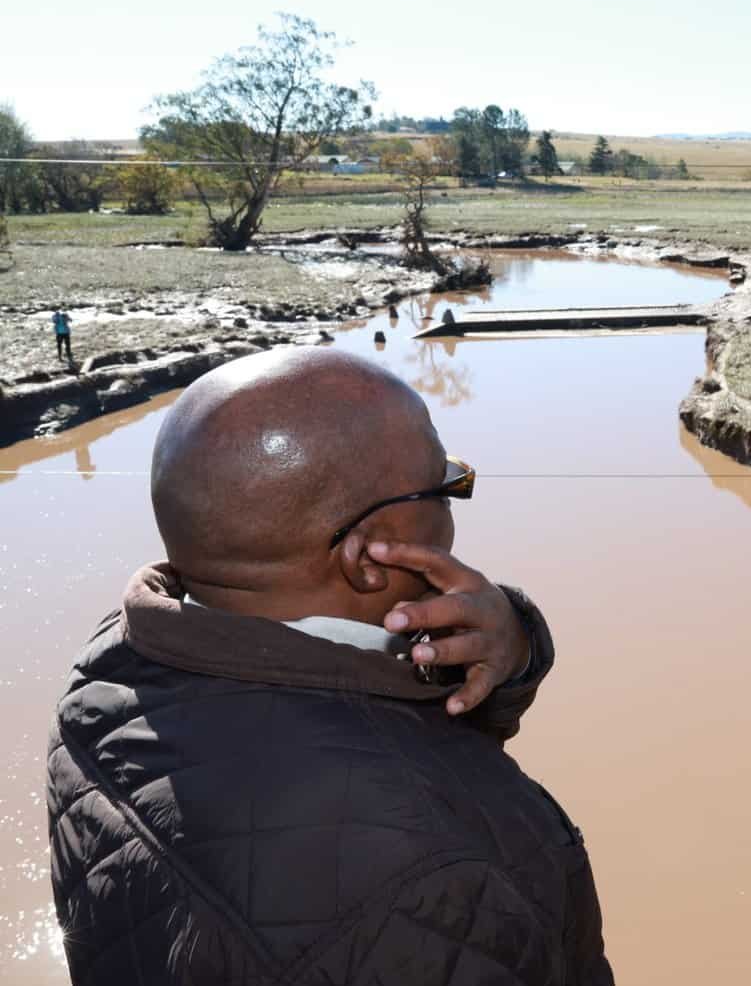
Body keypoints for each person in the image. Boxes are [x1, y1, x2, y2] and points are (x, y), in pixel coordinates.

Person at [47, 347, 612, 985]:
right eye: (446, 485)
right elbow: (419, 797)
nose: (456, 494)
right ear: (367, 560)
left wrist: (510, 653)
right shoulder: (432, 880)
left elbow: (376, 740)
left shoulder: (105, 676)